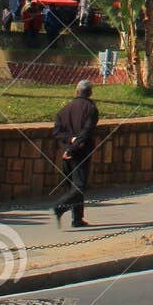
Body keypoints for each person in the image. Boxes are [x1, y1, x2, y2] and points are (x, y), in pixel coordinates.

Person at [52, 80, 99, 228]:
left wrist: (69, 143)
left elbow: (57, 132)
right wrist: (73, 147)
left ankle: (77, 218)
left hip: (66, 152)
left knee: (73, 186)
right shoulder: (91, 108)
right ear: (90, 93)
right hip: (80, 152)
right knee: (80, 186)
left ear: (76, 91)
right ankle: (60, 207)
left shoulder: (65, 109)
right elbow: (86, 132)